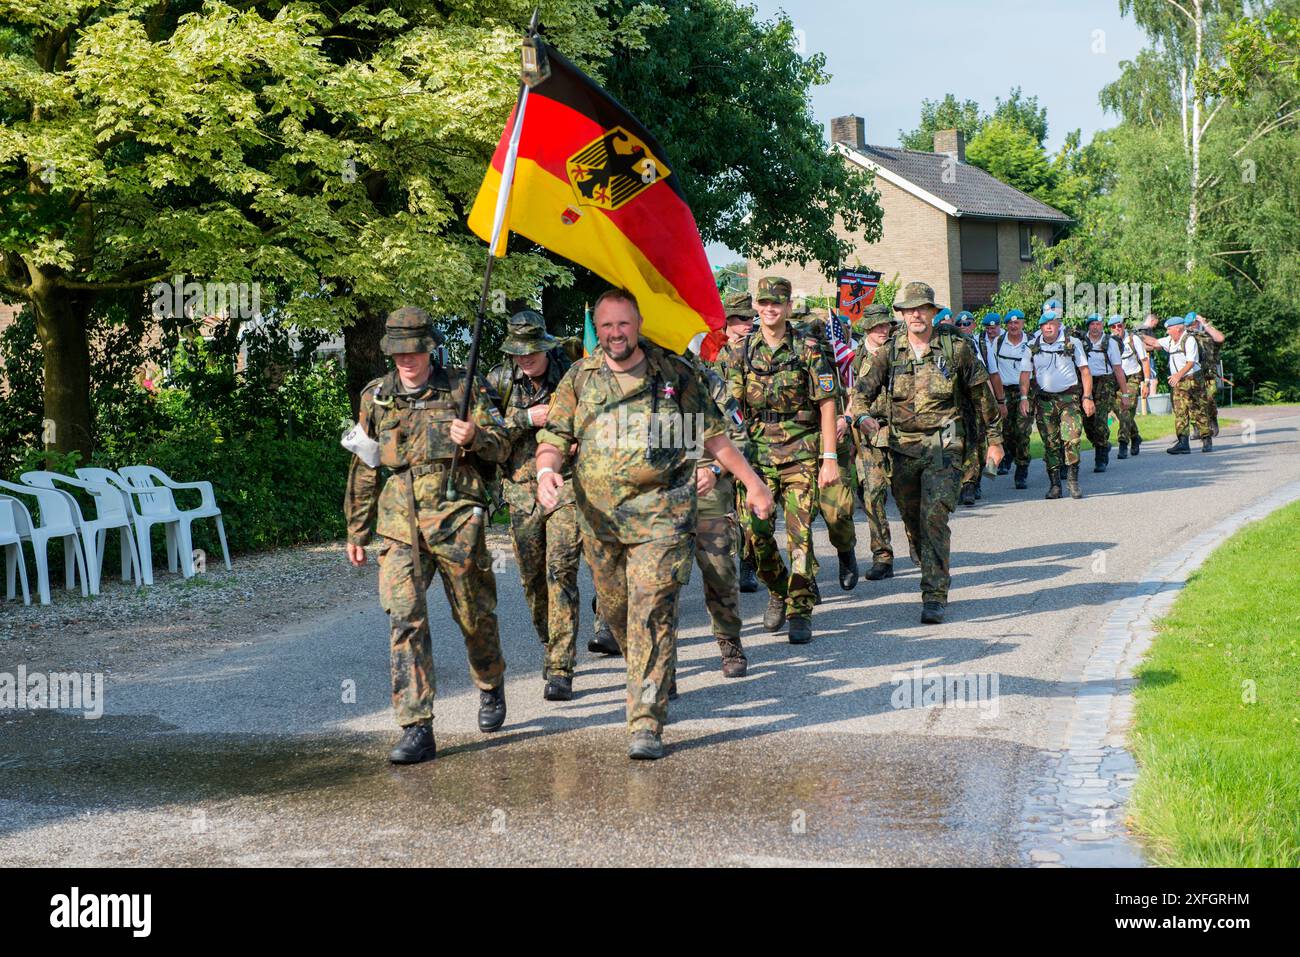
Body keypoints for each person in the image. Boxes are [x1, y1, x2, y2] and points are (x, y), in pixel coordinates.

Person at [535, 288, 774, 760]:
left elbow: (712, 435)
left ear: (638, 324)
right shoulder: (580, 379)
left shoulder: (673, 374)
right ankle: (656, 670)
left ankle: (645, 720)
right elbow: (555, 434)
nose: (614, 333)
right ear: (598, 329)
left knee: (652, 611)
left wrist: (752, 483)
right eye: (606, 325)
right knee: (620, 612)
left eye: (623, 324)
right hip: (600, 521)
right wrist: (547, 470)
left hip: (662, 517)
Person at [345, 307, 511, 765]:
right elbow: (365, 464)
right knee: (405, 618)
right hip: (400, 523)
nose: (407, 359)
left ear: (430, 347)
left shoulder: (464, 387)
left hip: (457, 516)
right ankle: (417, 726)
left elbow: (503, 445)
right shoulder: (375, 397)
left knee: (474, 615)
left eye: (414, 350)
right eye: (398, 351)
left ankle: (491, 684)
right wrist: (357, 529)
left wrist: (475, 435)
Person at [847, 282, 1004, 624]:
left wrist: (995, 440)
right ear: (901, 316)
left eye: (922, 308)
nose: (916, 314)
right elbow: (860, 393)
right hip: (902, 446)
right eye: (909, 309)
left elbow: (982, 398)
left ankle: (934, 593)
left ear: (933, 312)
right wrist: (862, 417)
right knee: (912, 515)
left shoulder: (956, 349)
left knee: (934, 514)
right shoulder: (889, 352)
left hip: (945, 441)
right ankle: (922, 550)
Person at [727, 277, 843, 645]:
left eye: (776, 302)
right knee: (755, 536)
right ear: (756, 307)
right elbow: (729, 407)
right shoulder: (741, 352)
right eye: (763, 303)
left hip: (801, 454)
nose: (769, 308)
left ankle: (800, 609)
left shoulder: (808, 348)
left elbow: (827, 404)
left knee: (800, 536)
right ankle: (779, 589)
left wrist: (829, 458)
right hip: (756, 458)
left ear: (788, 306)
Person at [487, 310, 581, 702]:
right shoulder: (499, 379)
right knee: (532, 579)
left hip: (566, 484)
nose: (525, 360)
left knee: (560, 568)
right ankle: (549, 642)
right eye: (518, 354)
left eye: (531, 353)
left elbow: (596, 412)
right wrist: (527, 416)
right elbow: (484, 429)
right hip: (521, 490)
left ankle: (561, 667)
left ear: (545, 345)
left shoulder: (571, 370)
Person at [686, 350, 751, 677]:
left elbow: (740, 438)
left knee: (719, 569)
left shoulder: (707, 380)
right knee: (655, 579)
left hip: (706, 484)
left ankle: (729, 641)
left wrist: (714, 468)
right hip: (656, 491)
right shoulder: (637, 381)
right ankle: (660, 665)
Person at [1020, 312, 1090, 499]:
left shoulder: (1072, 342)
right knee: (1050, 443)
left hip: (1069, 399)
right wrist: (1024, 398)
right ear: (1040, 327)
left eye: (1052, 324)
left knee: (1072, 438)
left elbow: (1085, 371)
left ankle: (1073, 481)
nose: (1049, 327)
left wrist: (1087, 397)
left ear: (1058, 325)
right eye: (1045, 324)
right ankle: (1055, 485)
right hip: (1044, 401)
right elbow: (1025, 374)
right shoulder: (1032, 345)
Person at [849, 303, 896, 580]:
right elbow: (849, 393)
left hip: (901, 430)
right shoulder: (853, 357)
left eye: (886, 325)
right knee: (873, 494)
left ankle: (918, 545)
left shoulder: (899, 352)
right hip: (869, 433)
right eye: (878, 326)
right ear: (867, 328)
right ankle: (882, 555)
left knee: (907, 493)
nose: (883, 330)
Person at [1141, 315, 1212, 453]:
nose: (1167, 332)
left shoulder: (1189, 340)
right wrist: (1139, 337)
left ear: (1178, 329)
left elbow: (1191, 362)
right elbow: (1155, 343)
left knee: (1198, 410)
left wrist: (1177, 375)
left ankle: (1206, 440)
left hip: (1193, 380)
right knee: (1180, 411)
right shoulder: (1170, 340)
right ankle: (1183, 443)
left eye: (1169, 329)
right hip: (1178, 381)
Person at [986, 309, 1033, 488]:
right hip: (1004, 391)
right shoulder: (998, 342)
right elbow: (993, 370)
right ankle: (1006, 458)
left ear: (1022, 323)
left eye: (1017, 322)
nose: (1013, 326)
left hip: (1025, 392)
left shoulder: (1031, 341)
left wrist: (1027, 395)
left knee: (1022, 431)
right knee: (1005, 431)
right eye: (1010, 323)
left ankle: (1022, 468)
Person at [1080, 314, 1130, 473]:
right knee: (1086, 421)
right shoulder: (1080, 342)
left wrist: (1125, 394)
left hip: (1105, 383)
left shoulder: (1111, 343)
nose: (1095, 327)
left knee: (1100, 421)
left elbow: (1118, 369)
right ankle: (1103, 444)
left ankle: (1100, 457)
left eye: (1098, 324)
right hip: (1085, 383)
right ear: (1088, 326)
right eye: (1092, 324)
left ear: (1102, 326)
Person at [953, 311, 990, 507]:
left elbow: (990, 376)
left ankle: (972, 484)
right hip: (954, 406)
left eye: (967, 323)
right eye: (960, 324)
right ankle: (962, 484)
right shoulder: (949, 350)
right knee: (954, 445)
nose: (964, 326)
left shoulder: (981, 346)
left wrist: (997, 403)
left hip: (975, 403)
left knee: (976, 445)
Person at [1109, 316, 1150, 458]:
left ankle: (1122, 443)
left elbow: (1144, 360)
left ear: (1124, 326)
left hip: (1132, 378)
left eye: (1119, 326)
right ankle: (1135, 436)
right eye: (1113, 327)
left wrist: (1147, 382)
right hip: (1115, 381)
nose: (1116, 329)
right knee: (1120, 412)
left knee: (1126, 410)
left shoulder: (1133, 339)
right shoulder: (1108, 341)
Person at [1188, 312, 1226, 437]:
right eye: (1189, 325)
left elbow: (1220, 338)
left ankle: (1212, 418)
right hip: (1192, 374)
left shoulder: (1209, 334)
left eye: (1193, 324)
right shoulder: (1187, 336)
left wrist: (1205, 324)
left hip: (1208, 375)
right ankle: (1197, 428)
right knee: (1192, 402)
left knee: (1208, 399)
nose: (1191, 327)